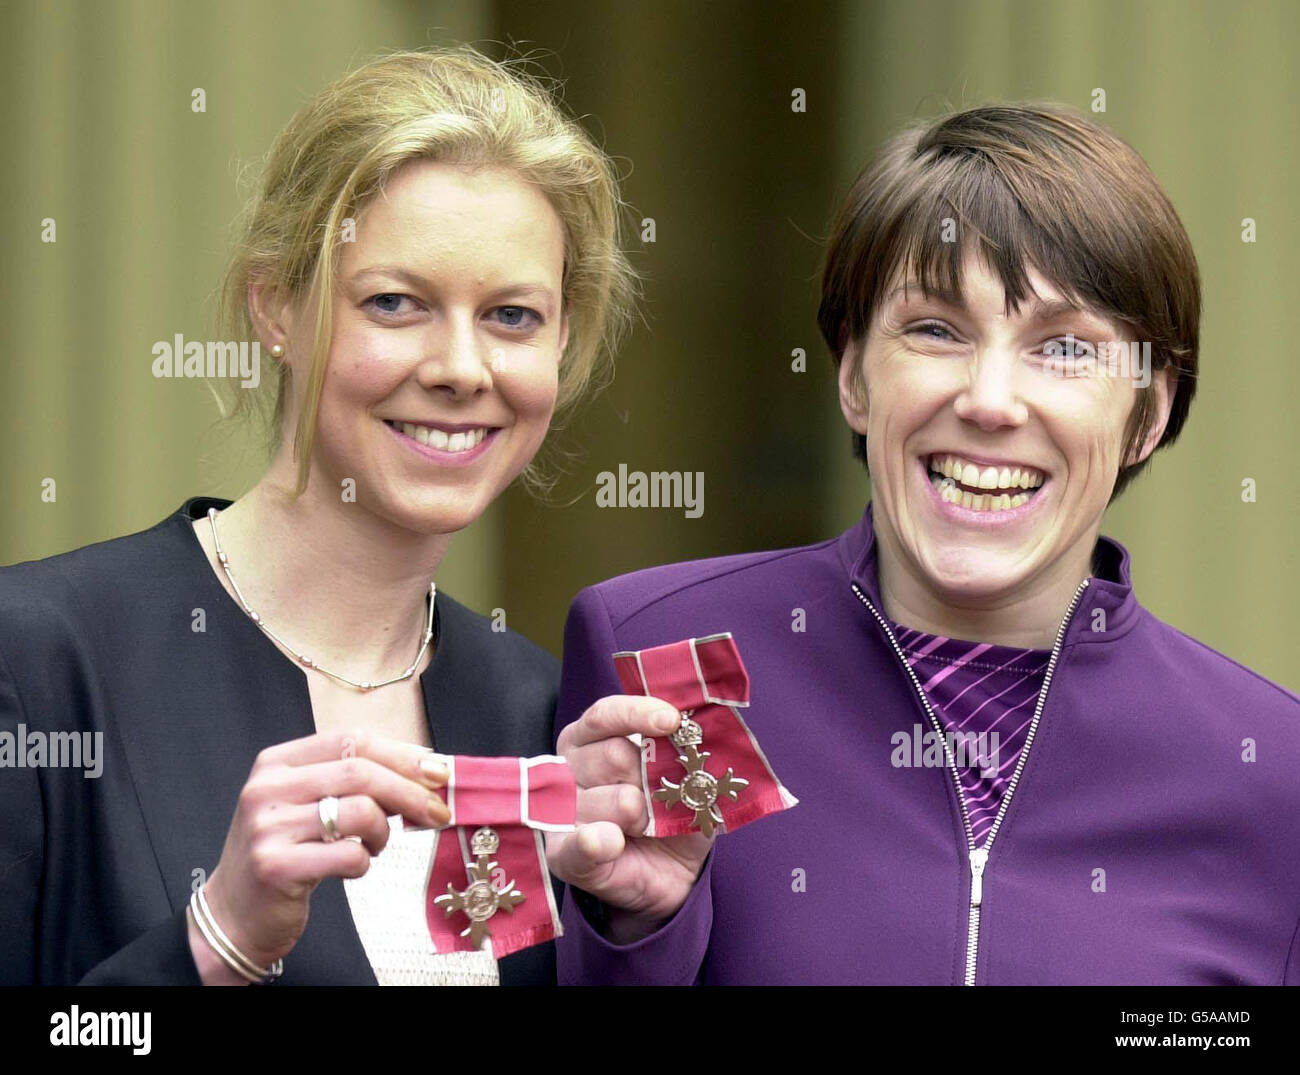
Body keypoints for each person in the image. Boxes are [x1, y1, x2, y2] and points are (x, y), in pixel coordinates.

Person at [545, 103, 1300, 985]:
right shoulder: (655, 657)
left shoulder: (1272, 769)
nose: (989, 399)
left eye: (1063, 348)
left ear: (1149, 413)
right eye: (936, 329)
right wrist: (636, 928)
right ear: (853, 375)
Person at [0, 45, 636, 985]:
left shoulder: (539, 709)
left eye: (511, 316)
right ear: (277, 308)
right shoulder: (44, 655)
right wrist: (214, 943)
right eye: (395, 303)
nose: (463, 367)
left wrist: (636, 922)